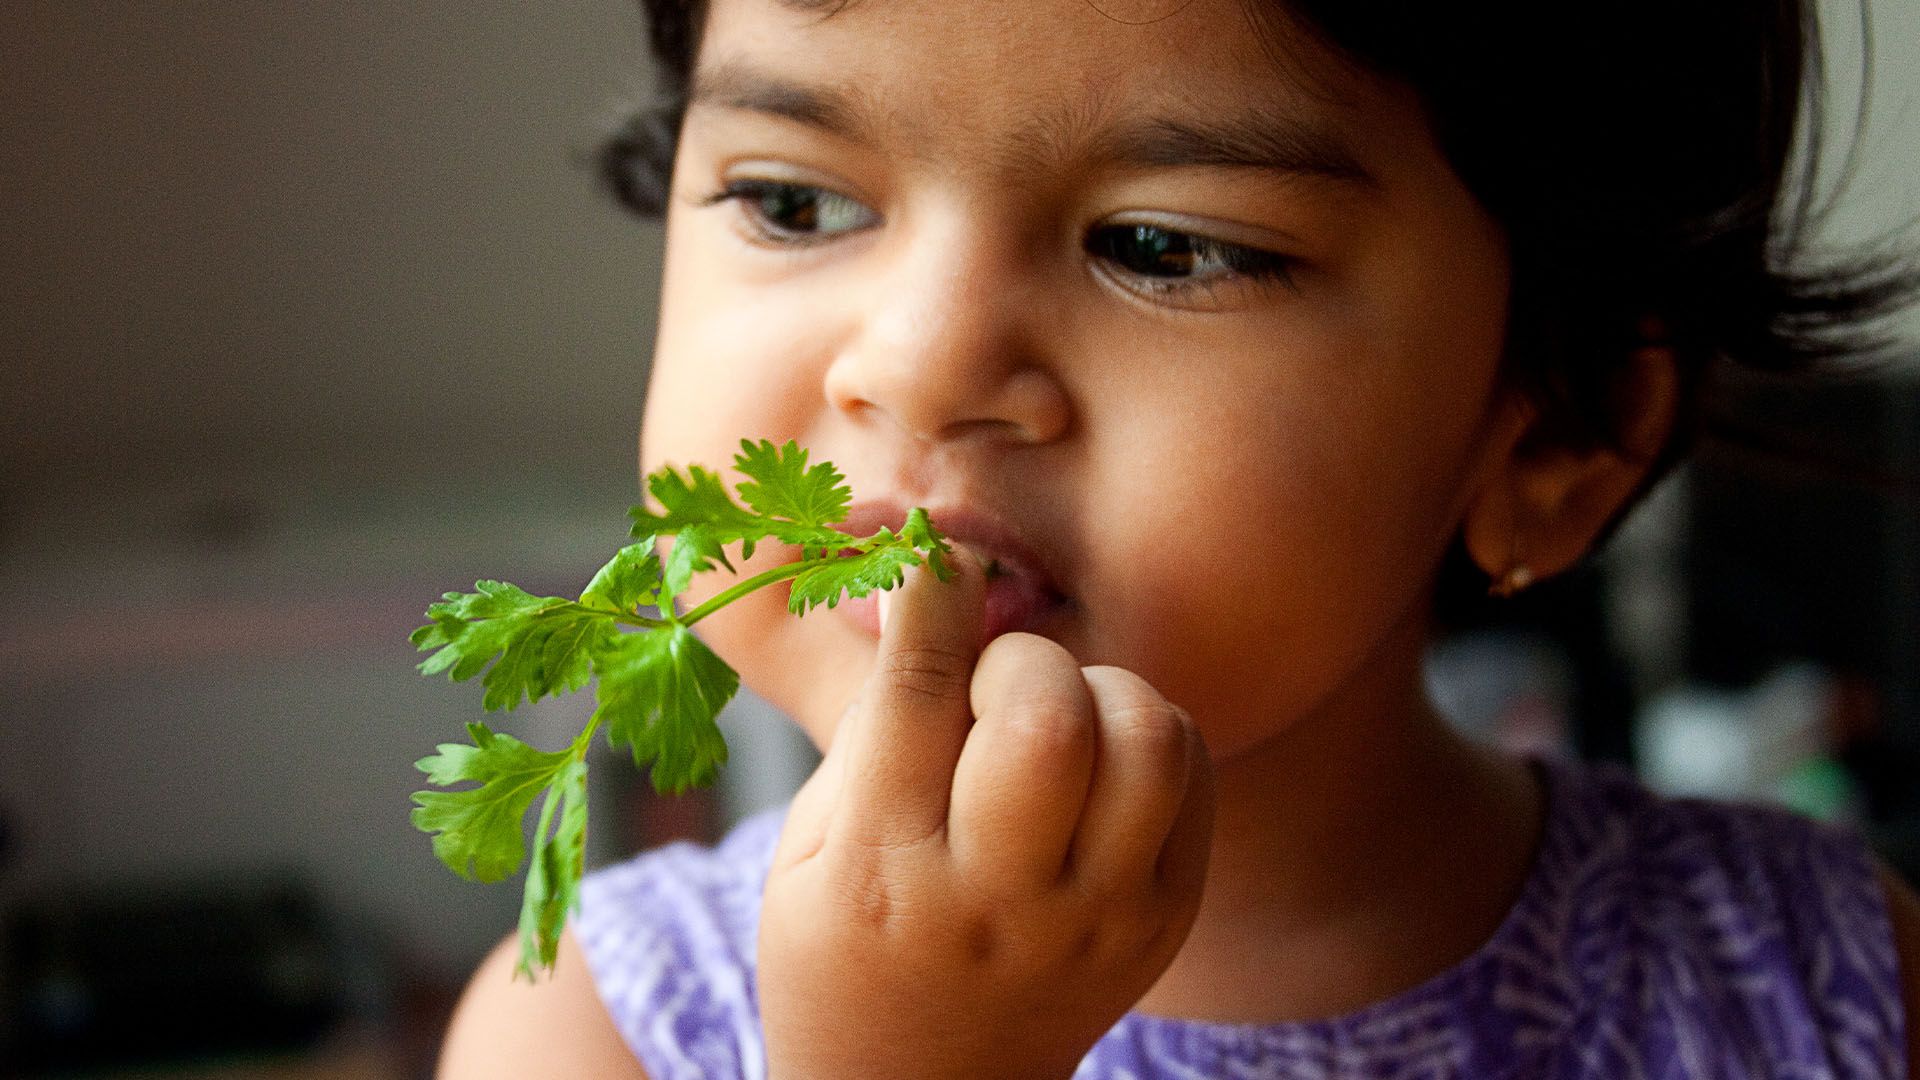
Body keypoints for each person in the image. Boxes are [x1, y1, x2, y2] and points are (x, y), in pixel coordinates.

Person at [436, 0, 1920, 1075]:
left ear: (1557, 435)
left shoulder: (1821, 981)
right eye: (793, 200)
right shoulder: (596, 1025)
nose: (919, 363)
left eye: (1166, 245)